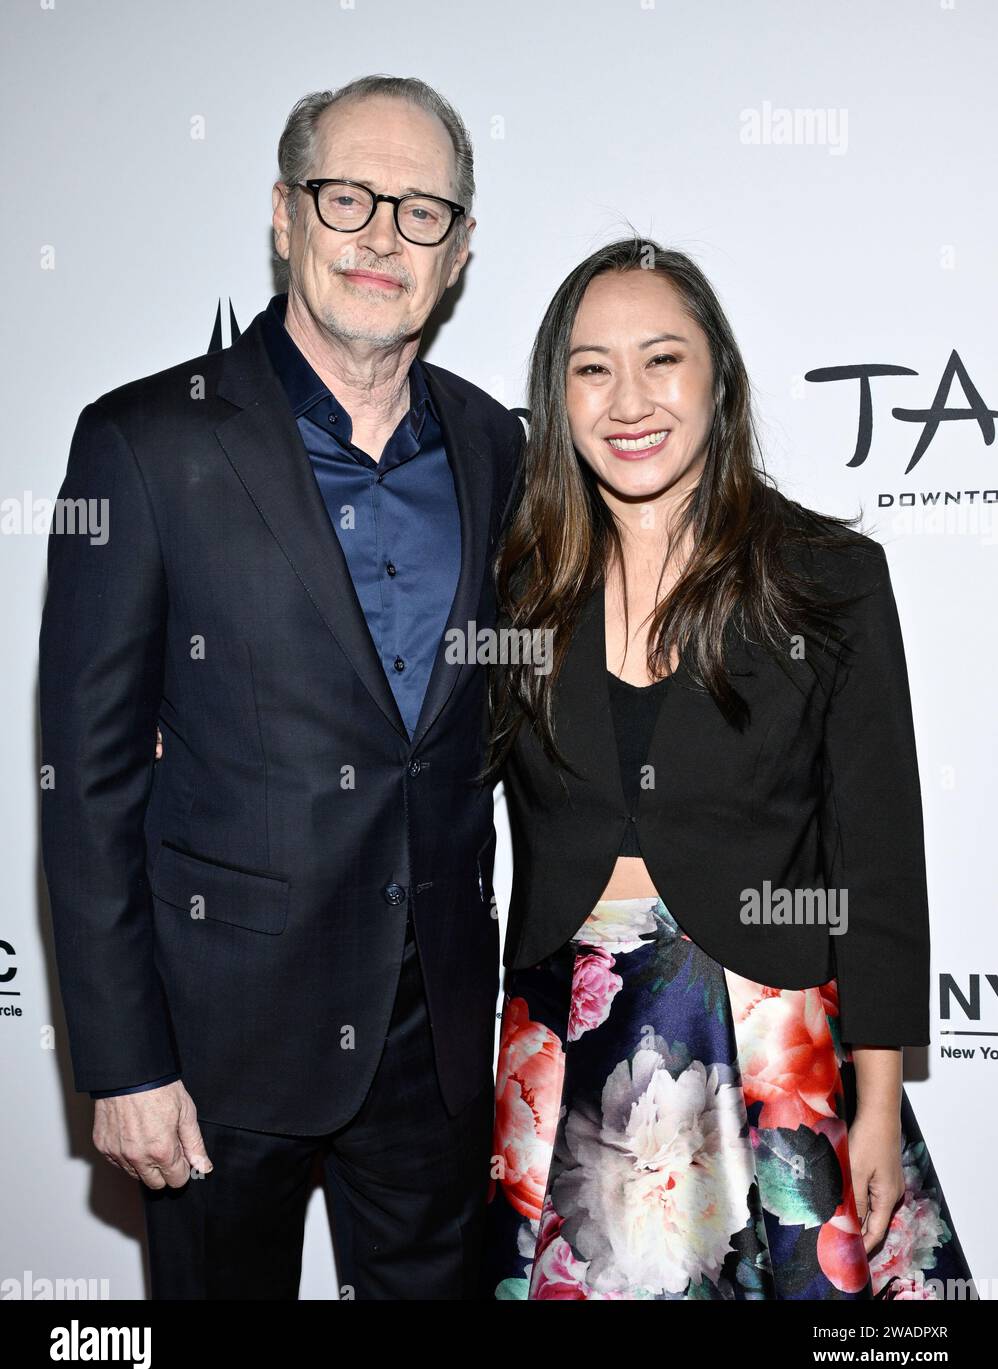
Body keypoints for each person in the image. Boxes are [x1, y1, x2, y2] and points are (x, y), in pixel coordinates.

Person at [38, 76, 524, 1300]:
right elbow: (85, 785)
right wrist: (121, 1060)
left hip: (435, 1034)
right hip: (215, 1044)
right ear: (283, 213)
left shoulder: (495, 446)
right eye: (346, 195)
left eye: (421, 211)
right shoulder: (145, 443)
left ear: (460, 249)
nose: (379, 235)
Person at [480, 239, 975, 1300]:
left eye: (662, 359)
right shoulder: (513, 589)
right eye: (590, 366)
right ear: (555, 397)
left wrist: (876, 1102)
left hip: (767, 1036)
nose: (628, 399)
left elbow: (875, 852)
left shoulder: (824, 579)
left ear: (718, 379)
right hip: (565, 1043)